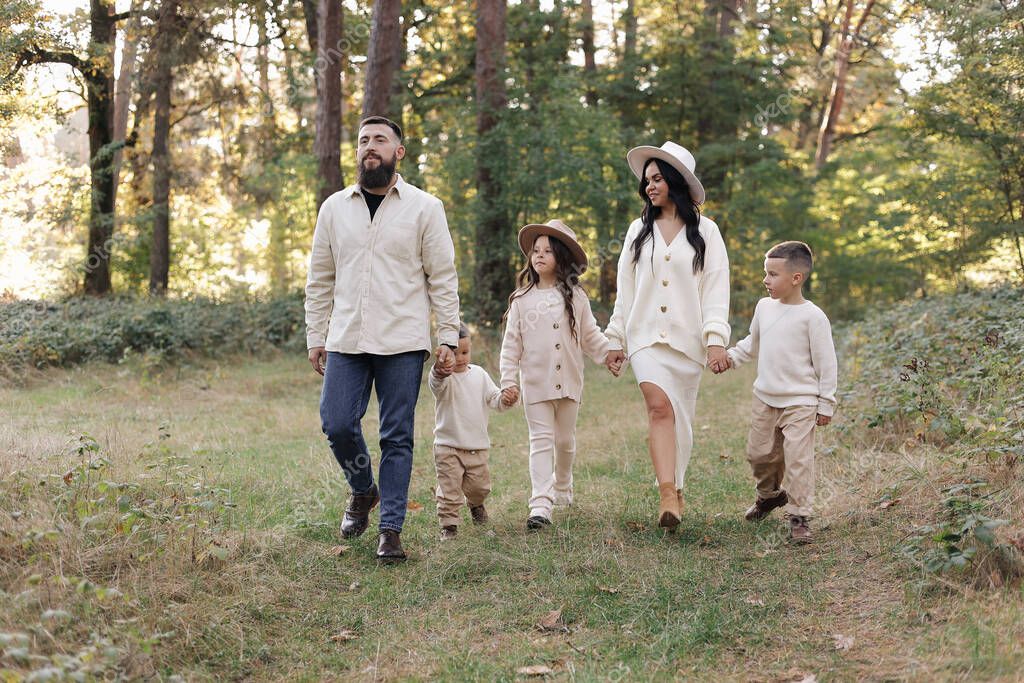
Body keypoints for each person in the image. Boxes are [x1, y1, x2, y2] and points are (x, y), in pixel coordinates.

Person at [305, 115, 460, 563]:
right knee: (336, 422)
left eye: (379, 140)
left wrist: (447, 334)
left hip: (403, 340)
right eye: (363, 141)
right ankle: (362, 490)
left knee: (397, 435)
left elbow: (442, 277)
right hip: (346, 338)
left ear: (399, 152)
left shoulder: (425, 207)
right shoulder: (334, 208)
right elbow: (320, 278)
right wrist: (317, 334)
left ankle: (391, 529)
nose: (369, 147)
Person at [605, 141, 731, 530]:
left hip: (687, 341)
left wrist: (715, 337)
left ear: (676, 182)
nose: (649, 187)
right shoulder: (637, 231)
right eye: (647, 181)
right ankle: (665, 492)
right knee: (658, 407)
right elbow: (624, 290)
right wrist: (616, 339)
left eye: (657, 179)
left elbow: (715, 287)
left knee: (681, 420)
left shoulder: (706, 232)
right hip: (644, 336)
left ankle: (678, 487)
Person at [499, 220, 618, 531]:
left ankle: (563, 485)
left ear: (562, 258)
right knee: (540, 440)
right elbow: (511, 345)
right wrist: (508, 381)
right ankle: (540, 503)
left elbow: (591, 336)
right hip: (535, 385)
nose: (539, 255)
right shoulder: (521, 301)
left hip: (569, 382)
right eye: (535, 251)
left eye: (548, 251)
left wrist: (609, 356)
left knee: (564, 441)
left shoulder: (576, 296)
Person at [723, 241, 838, 544]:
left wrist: (826, 403)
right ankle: (769, 496)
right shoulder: (764, 308)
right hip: (765, 397)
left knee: (798, 458)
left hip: (800, 401)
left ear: (796, 278)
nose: (766, 280)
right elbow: (753, 341)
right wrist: (731, 357)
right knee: (760, 454)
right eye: (766, 273)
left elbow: (827, 363)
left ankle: (799, 516)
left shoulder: (813, 317)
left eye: (773, 275)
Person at [428, 322, 517, 540]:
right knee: (449, 489)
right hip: (447, 445)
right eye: (455, 353)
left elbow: (494, 399)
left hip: (476, 447)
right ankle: (449, 526)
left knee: (479, 487)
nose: (460, 358)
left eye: (465, 352)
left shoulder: (479, 374)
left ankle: (476, 505)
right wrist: (439, 371)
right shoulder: (443, 378)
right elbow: (435, 385)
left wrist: (506, 398)